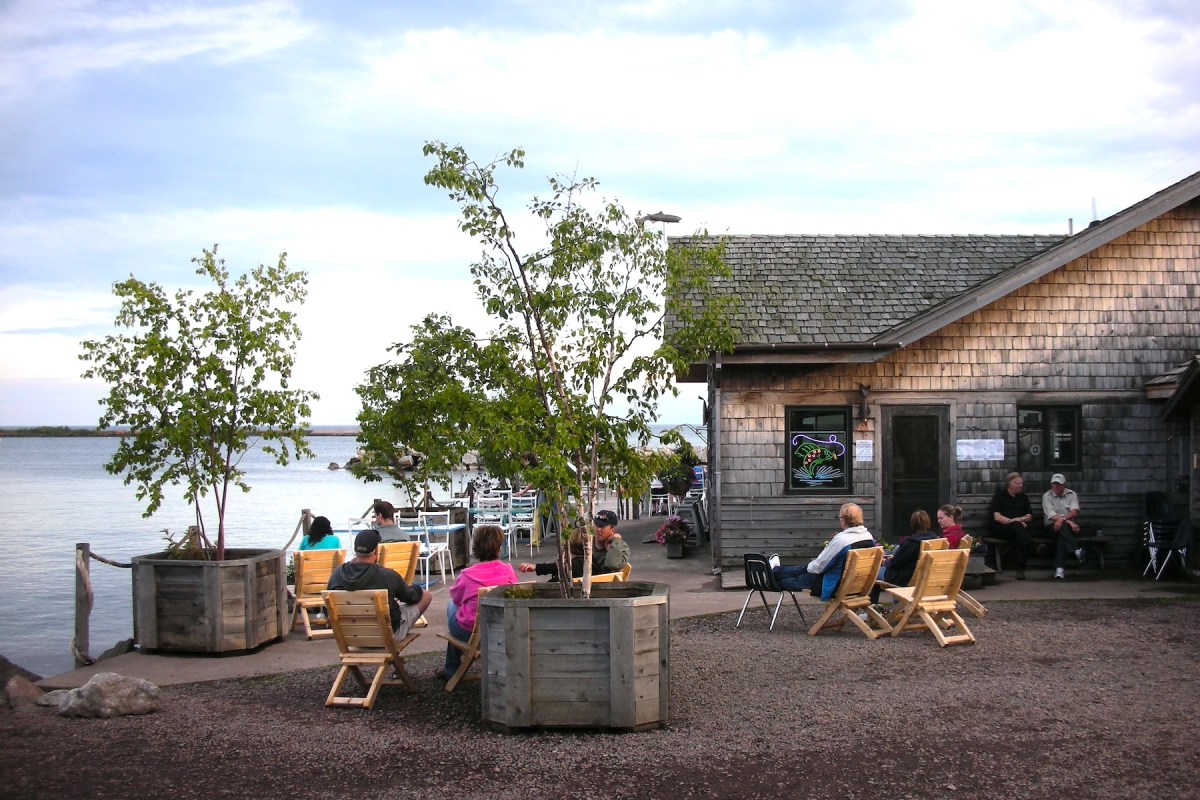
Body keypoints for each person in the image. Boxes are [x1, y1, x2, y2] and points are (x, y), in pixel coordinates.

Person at [439, 524, 518, 680]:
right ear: (499, 548)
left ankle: (452, 668)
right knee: (459, 612)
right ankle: (452, 667)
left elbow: (456, 598)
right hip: (499, 629)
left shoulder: (468, 575)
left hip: (469, 631)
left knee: (452, 607)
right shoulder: (508, 571)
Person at [326, 529, 432, 635]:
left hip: (350, 635)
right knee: (426, 595)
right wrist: (415, 588)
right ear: (376, 550)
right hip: (386, 635)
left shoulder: (337, 574)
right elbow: (411, 597)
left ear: (355, 550)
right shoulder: (387, 576)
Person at [772, 503, 875, 592]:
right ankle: (775, 570)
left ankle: (772, 573)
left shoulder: (842, 540)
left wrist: (807, 568)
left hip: (832, 585)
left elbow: (819, 566)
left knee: (783, 580)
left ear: (843, 520)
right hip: (856, 585)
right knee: (803, 569)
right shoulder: (868, 537)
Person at [517, 528, 617, 581]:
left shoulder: (574, 566)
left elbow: (558, 567)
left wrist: (536, 567)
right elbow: (556, 567)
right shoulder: (593, 564)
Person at [989, 471, 1033, 580]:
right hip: (1003, 529)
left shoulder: (1023, 497)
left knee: (1019, 536)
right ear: (1010, 484)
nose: (1021, 486)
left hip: (1020, 530)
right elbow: (997, 517)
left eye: (1021, 483)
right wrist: (1014, 521)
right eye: (1018, 483)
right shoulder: (1000, 496)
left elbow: (1029, 516)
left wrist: (1020, 520)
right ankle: (1032, 550)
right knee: (1019, 529)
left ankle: (1020, 568)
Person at [1043, 473, 1085, 580]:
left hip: (1066, 528)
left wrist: (1063, 520)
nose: (1056, 487)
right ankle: (1075, 550)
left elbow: (1074, 512)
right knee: (1062, 528)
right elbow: (1051, 515)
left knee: (1062, 536)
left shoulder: (1072, 494)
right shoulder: (1046, 496)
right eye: (1054, 484)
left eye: (1059, 484)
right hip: (1051, 527)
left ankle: (1059, 570)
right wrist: (1069, 521)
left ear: (1064, 485)